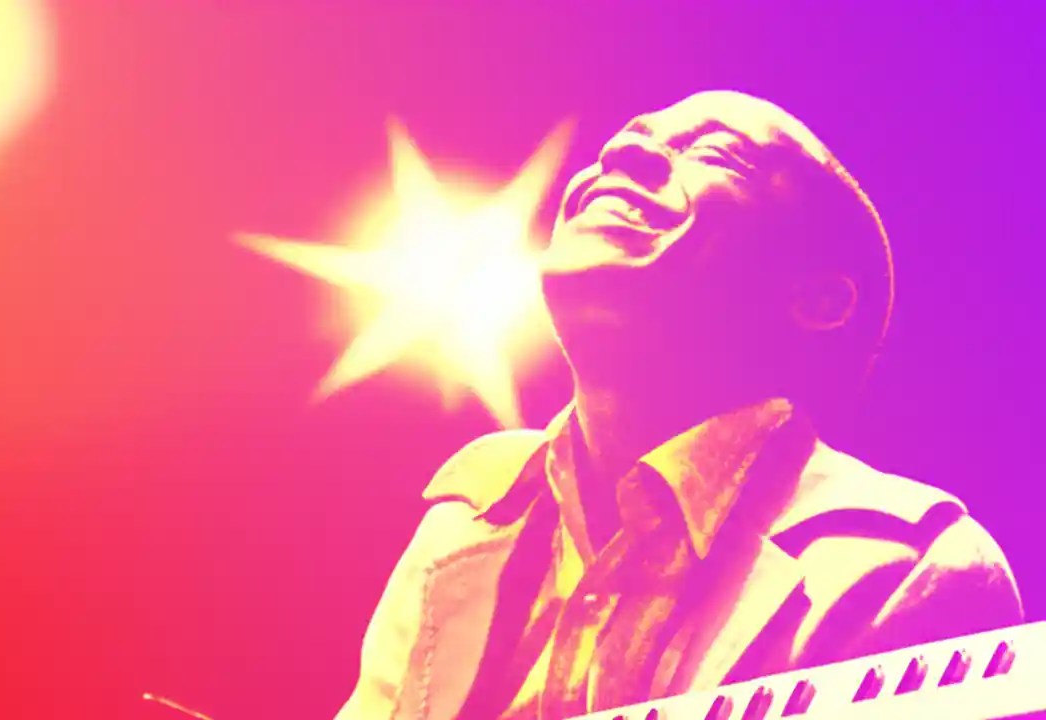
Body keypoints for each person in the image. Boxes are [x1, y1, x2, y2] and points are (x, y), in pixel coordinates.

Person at [335, 91, 1023, 720]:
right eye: (628, 140)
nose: (621, 154)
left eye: (717, 155)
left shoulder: (904, 570)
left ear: (816, 301)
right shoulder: (466, 525)